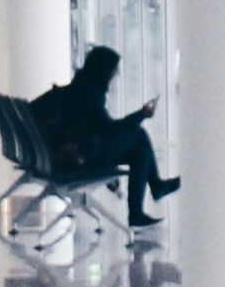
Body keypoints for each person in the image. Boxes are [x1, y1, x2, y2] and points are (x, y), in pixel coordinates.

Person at [28, 46, 176, 230]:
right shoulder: (88, 94)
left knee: (139, 150)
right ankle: (150, 194)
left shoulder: (79, 87)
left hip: (78, 149)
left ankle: (151, 194)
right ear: (104, 70)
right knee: (139, 136)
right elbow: (108, 129)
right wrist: (142, 114)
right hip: (83, 155)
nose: (116, 75)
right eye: (114, 70)